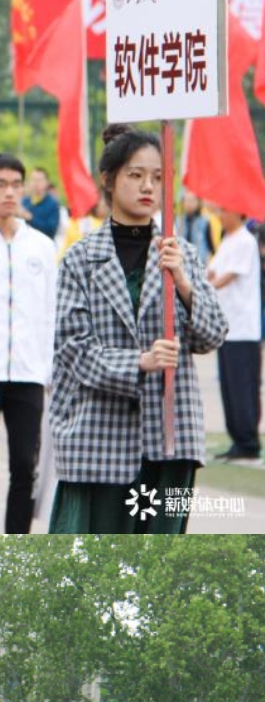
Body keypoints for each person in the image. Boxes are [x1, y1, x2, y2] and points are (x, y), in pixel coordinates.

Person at [49, 124, 228, 533]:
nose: (148, 186)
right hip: (97, 436)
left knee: (161, 562)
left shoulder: (178, 251)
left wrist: (183, 283)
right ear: (108, 179)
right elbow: (73, 350)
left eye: (157, 177)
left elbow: (213, 333)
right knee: (94, 558)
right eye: (135, 174)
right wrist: (140, 362)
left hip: (170, 438)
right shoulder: (80, 259)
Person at [0, 153, 57, 532]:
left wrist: (50, 369)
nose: (9, 193)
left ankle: (16, 541)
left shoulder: (41, 246)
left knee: (25, 466)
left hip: (28, 374)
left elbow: (51, 310)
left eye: (15, 185)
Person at [207, 207, 262, 461]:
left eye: (225, 211)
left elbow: (225, 278)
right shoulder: (227, 240)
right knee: (229, 386)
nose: (220, 215)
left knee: (243, 387)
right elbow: (212, 272)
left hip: (243, 328)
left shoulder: (245, 240)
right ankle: (237, 439)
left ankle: (248, 441)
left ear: (238, 213)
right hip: (225, 326)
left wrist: (201, 288)